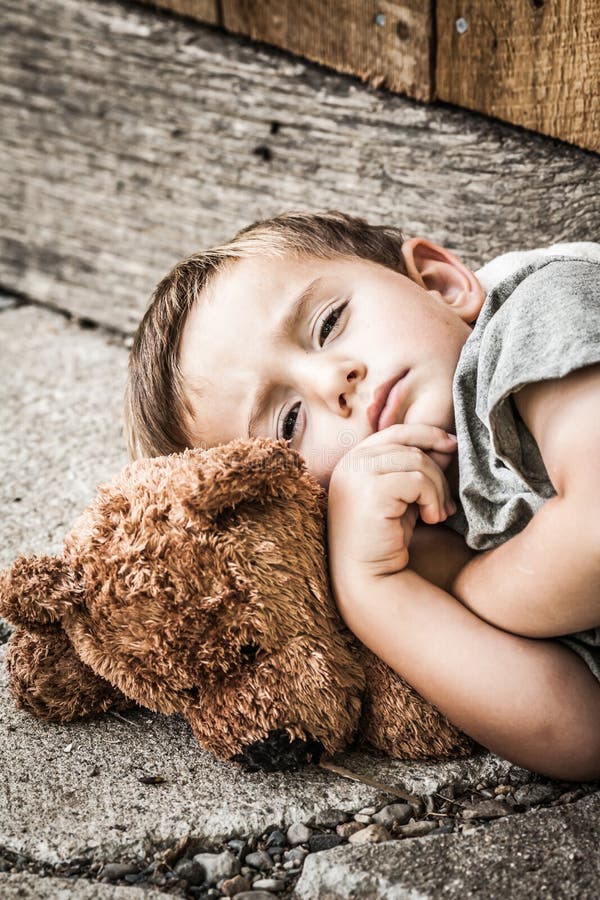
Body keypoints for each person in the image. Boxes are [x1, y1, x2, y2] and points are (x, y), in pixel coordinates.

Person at [124, 210, 600, 780]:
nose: (332, 382)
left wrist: (465, 589)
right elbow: (576, 734)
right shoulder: (406, 524)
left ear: (440, 283)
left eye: (328, 325)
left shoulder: (542, 312)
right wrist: (374, 589)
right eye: (289, 421)